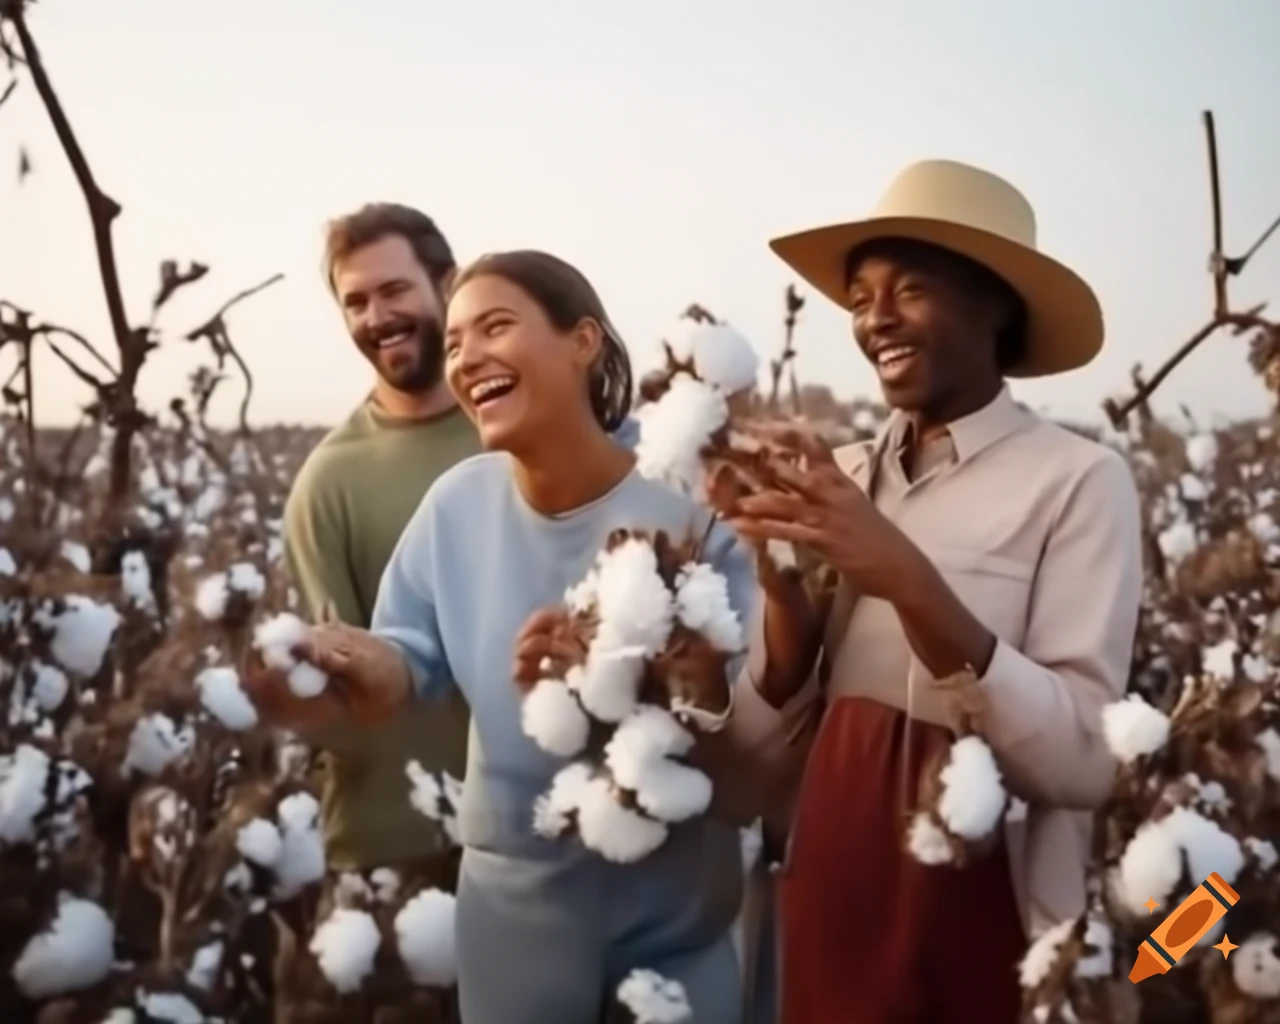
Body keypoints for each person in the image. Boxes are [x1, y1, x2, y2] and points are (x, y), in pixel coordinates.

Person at [255, 250, 809, 1024]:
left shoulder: (692, 497)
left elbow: (763, 709)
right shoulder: (455, 508)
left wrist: (642, 670)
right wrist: (343, 662)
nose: (466, 356)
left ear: (583, 341)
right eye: (453, 342)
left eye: (495, 326)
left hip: (682, 917)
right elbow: (405, 664)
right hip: (516, 917)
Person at [722, 160, 1144, 1022]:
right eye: (862, 297)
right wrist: (783, 605)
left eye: (909, 290)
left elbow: (1084, 760)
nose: (875, 319)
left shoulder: (1078, 481)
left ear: (997, 305)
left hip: (977, 899)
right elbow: (762, 749)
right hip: (832, 881)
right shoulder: (837, 477)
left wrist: (909, 581)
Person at [278, 203, 479, 871]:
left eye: (393, 290)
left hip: (547, 844)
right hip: (394, 852)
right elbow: (338, 696)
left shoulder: (522, 438)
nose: (376, 317)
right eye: (354, 302)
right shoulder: (328, 482)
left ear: (448, 286)